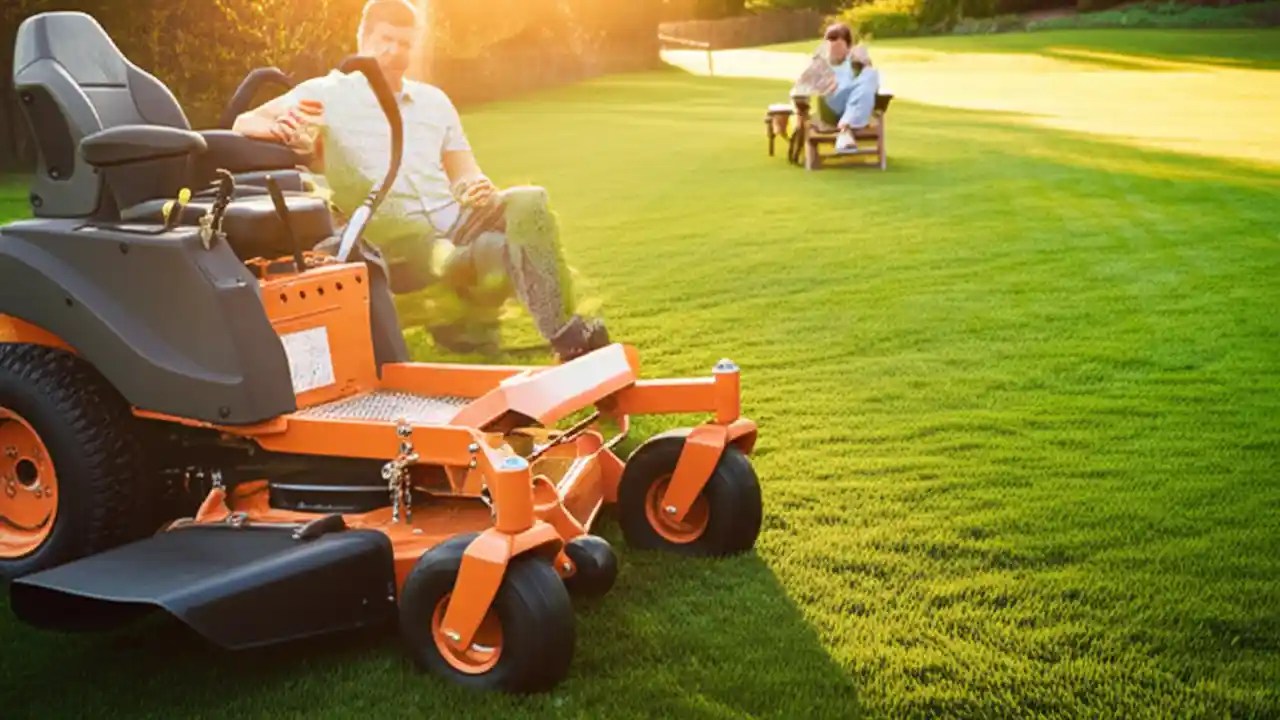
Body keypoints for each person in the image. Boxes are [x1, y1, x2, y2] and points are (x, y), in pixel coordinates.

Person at [232, 0, 608, 361]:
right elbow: (244, 122)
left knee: (531, 200)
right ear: (363, 37)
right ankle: (510, 318)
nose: (395, 51)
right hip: (394, 240)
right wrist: (283, 130)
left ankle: (565, 335)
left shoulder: (434, 102)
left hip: (455, 219)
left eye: (405, 43)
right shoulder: (327, 93)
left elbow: (464, 171)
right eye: (386, 40)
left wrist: (473, 186)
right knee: (491, 251)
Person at [799, 23, 881, 153]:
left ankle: (845, 130)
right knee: (862, 83)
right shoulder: (820, 62)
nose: (834, 51)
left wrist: (866, 63)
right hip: (832, 107)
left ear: (848, 47)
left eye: (838, 47)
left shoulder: (856, 61)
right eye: (831, 46)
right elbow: (803, 86)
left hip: (856, 105)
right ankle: (846, 128)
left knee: (870, 74)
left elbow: (870, 85)